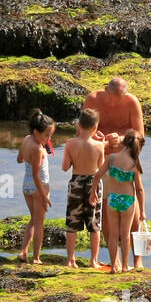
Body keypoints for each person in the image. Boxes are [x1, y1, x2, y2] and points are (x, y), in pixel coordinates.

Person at [82, 77, 147, 266]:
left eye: (120, 98)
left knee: (133, 212)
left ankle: (138, 259)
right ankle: (116, 261)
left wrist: (121, 139)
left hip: (125, 160)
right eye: (112, 98)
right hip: (104, 161)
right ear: (105, 90)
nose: (114, 102)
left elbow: (140, 137)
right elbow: (83, 131)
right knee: (106, 209)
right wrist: (98, 138)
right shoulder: (93, 100)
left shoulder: (132, 103)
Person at [94, 129, 147, 273]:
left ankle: (113, 266)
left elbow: (97, 175)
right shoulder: (134, 163)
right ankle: (124, 266)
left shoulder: (111, 158)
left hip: (112, 199)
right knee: (125, 235)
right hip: (128, 201)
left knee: (112, 235)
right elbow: (140, 190)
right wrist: (142, 210)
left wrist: (93, 193)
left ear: (124, 142)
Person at [61, 108, 106, 268]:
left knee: (72, 223)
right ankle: (93, 261)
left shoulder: (70, 143)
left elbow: (65, 167)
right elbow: (101, 168)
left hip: (76, 182)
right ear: (95, 127)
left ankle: (70, 260)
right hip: (93, 183)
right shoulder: (100, 146)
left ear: (78, 125)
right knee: (94, 224)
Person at [16, 109, 55, 265]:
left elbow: (19, 159)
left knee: (33, 220)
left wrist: (28, 155)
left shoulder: (27, 139)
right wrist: (44, 196)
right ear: (36, 131)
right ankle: (36, 258)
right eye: (46, 135)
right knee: (39, 224)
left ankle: (23, 251)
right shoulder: (38, 149)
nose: (48, 139)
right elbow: (37, 175)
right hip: (39, 187)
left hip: (26, 186)